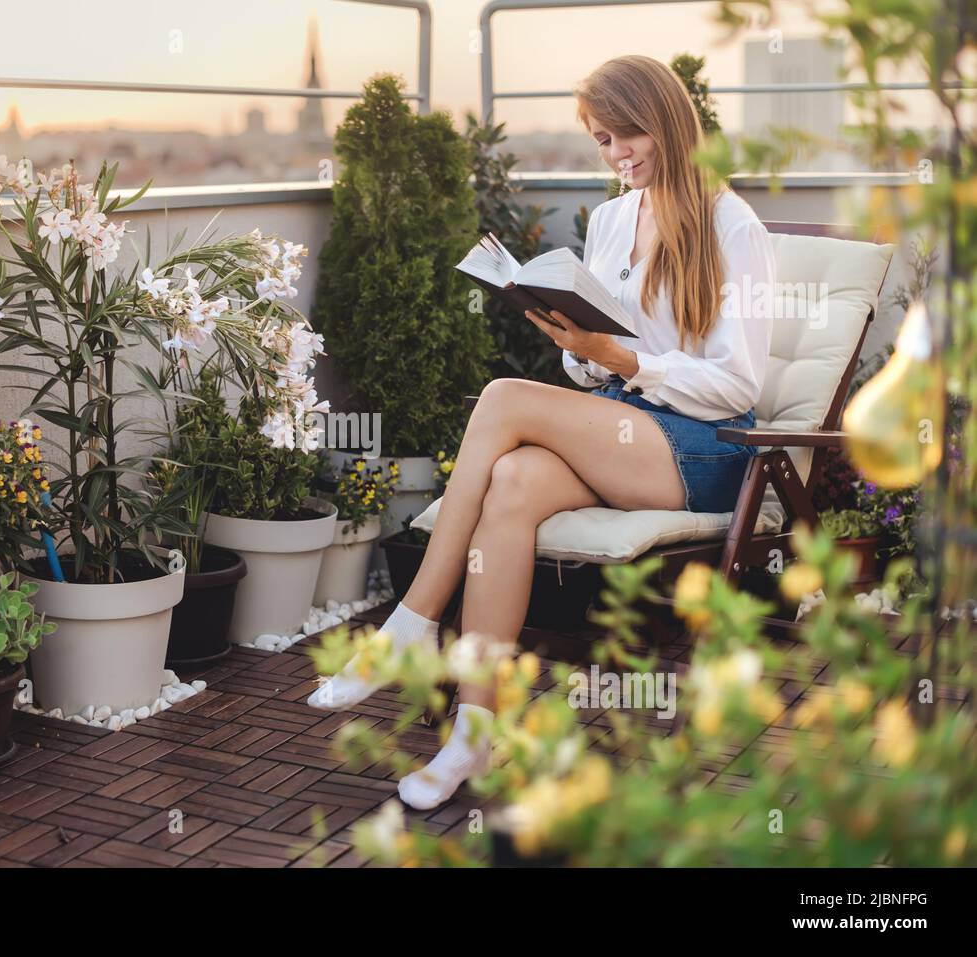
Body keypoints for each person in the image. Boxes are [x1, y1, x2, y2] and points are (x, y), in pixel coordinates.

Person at [306, 54, 777, 810]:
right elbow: (593, 367)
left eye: (631, 135)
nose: (618, 154)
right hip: (628, 425)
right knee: (512, 482)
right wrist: (582, 350)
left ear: (668, 122)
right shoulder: (616, 217)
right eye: (602, 140)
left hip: (707, 448)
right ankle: (473, 731)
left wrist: (626, 360)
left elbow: (738, 383)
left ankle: (410, 621)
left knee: (501, 397)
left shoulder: (732, 224)